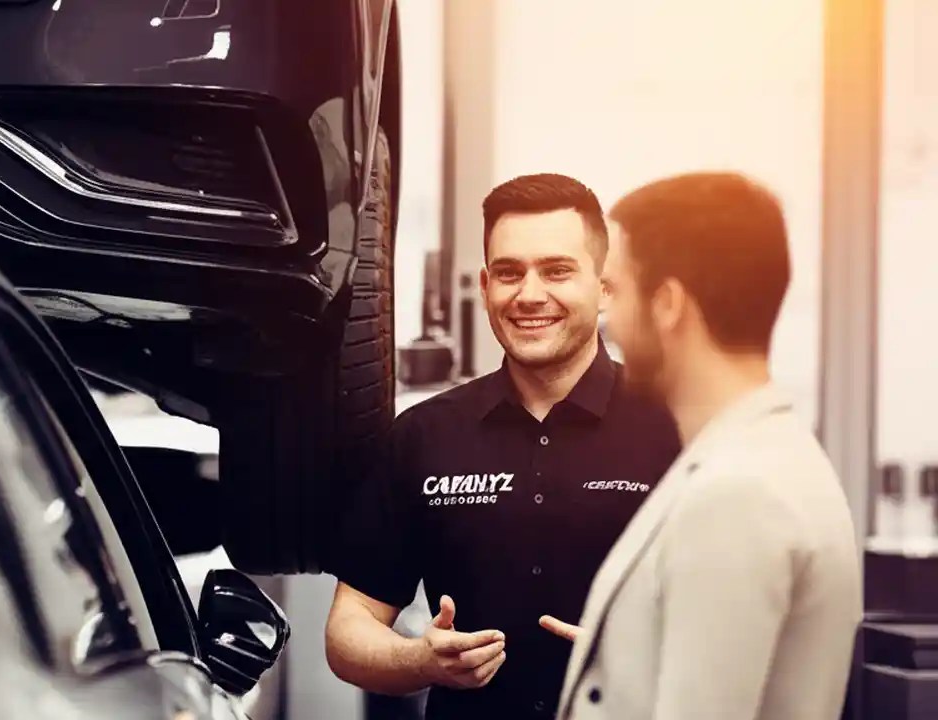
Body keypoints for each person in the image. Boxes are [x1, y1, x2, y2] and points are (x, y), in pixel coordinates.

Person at [325, 173, 682, 719]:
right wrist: (419, 659)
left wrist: (640, 661)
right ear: (486, 284)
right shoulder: (425, 435)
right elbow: (349, 631)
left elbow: (746, 622)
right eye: (510, 274)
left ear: (604, 287)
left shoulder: (673, 428)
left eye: (558, 271)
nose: (530, 295)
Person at [552, 172, 863, 720]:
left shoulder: (738, 494)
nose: (609, 320)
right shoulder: (768, 457)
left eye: (617, 291)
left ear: (667, 303)